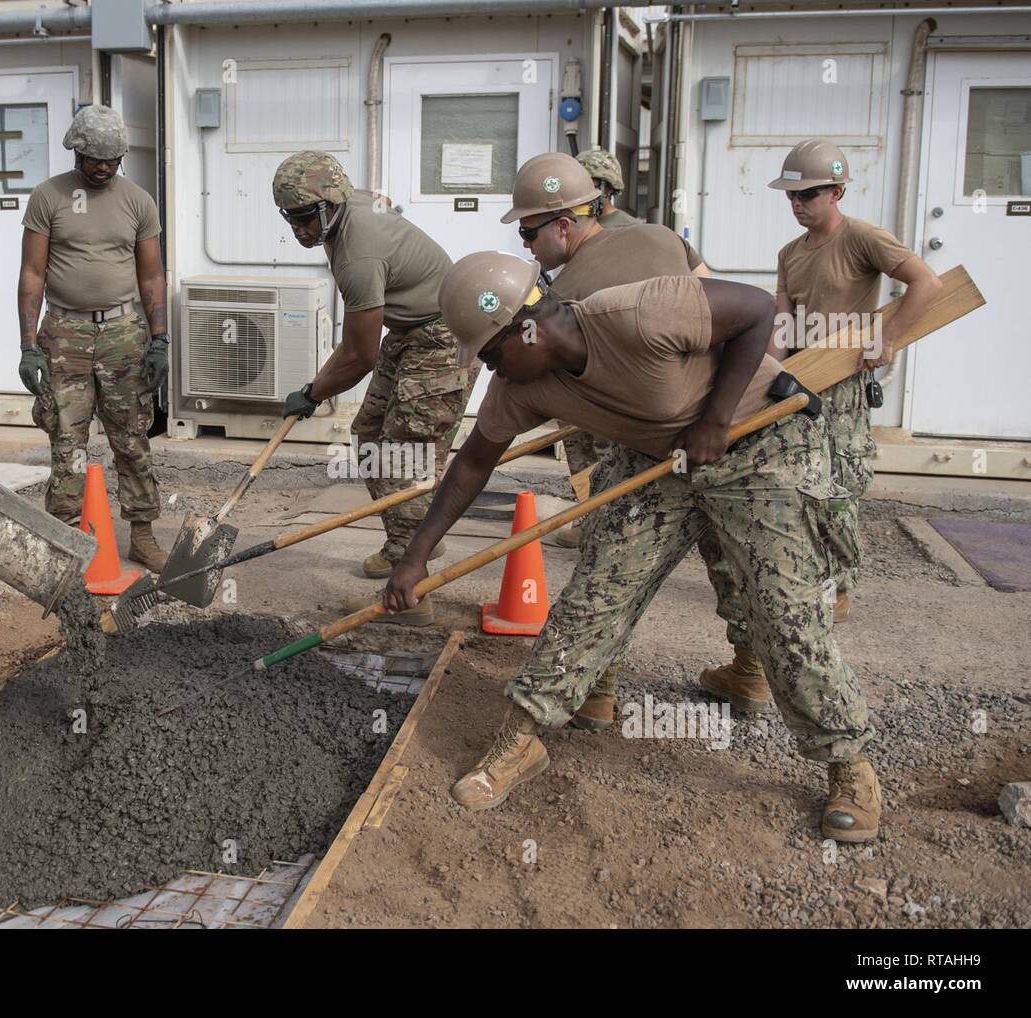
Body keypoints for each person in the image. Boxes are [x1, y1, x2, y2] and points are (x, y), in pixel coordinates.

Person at [384, 251, 883, 843]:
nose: (492, 370)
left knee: (785, 611)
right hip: (656, 462)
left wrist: (716, 418)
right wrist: (414, 557)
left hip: (757, 445)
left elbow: (755, 310)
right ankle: (520, 742)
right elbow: (471, 465)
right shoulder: (521, 386)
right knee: (593, 600)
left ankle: (848, 766)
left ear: (528, 325)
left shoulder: (637, 314)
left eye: (491, 354)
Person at [697, 139, 943, 713]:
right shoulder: (791, 251)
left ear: (836, 190)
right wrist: (765, 376)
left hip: (846, 379)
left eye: (808, 194)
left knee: (844, 479)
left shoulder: (862, 238)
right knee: (801, 479)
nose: (798, 204)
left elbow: (925, 283)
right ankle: (811, 582)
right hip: (804, 380)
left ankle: (839, 588)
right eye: (791, 195)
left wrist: (890, 338)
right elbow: (782, 320)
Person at [502, 150, 698, 729]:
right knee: (623, 571)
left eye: (529, 230)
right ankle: (744, 676)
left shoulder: (573, 289)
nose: (525, 244)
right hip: (680, 432)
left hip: (688, 435)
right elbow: (719, 297)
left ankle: (598, 690)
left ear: (565, 222)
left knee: (610, 571)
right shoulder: (663, 239)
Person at [272, 150, 474, 624]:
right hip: (409, 332)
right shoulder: (347, 209)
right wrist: (316, 387)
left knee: (404, 458)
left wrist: (312, 392)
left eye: (306, 218)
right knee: (369, 436)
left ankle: (411, 594)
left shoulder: (358, 254)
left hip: (444, 338)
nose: (299, 229)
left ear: (331, 205)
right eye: (291, 218)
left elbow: (360, 354)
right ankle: (408, 539)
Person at [17, 105, 170, 570]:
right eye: (93, 159)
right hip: (64, 331)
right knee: (67, 439)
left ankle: (142, 535)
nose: (103, 168)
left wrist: (159, 337)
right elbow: (32, 273)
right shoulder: (48, 197)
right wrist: (27, 344)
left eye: (111, 159)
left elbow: (152, 276)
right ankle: (63, 542)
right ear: (76, 152)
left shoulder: (138, 201)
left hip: (124, 332)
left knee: (133, 437)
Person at [575, 145, 709, 274]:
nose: (581, 192)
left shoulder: (630, 228)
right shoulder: (571, 224)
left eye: (589, 185)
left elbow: (699, 276)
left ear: (608, 187)